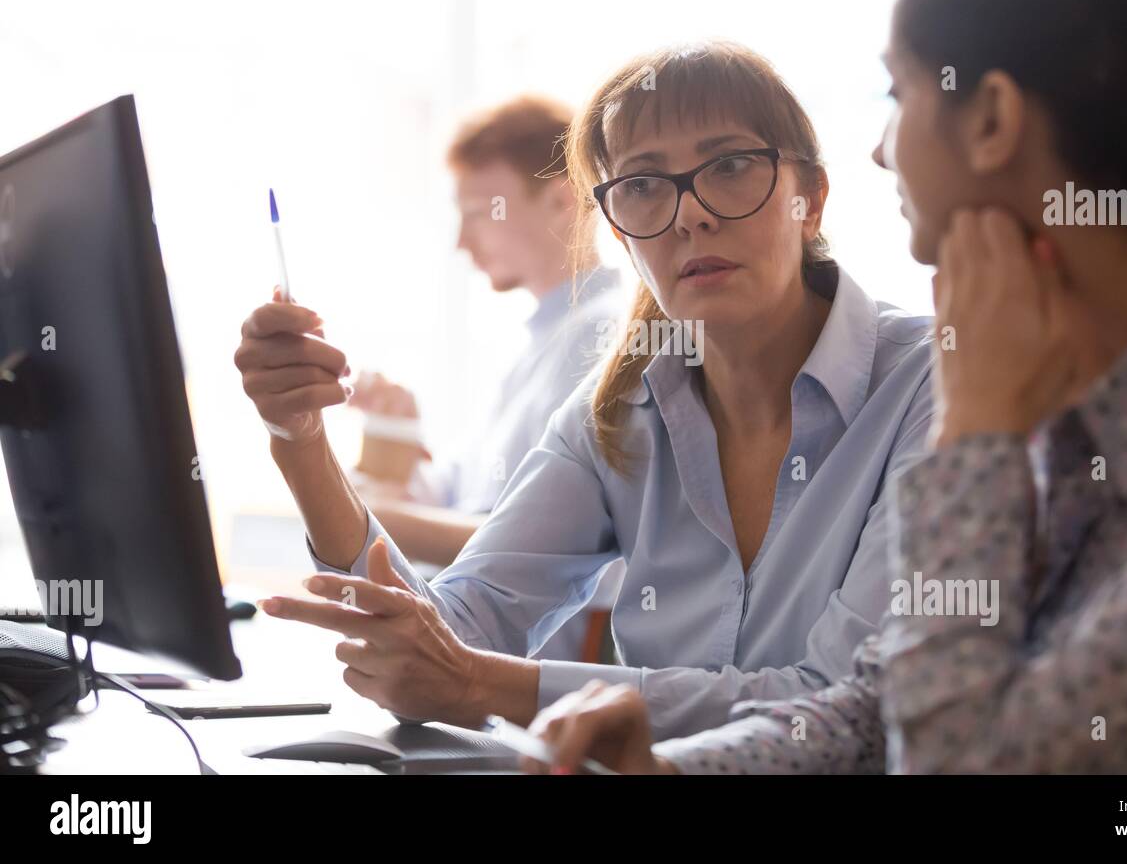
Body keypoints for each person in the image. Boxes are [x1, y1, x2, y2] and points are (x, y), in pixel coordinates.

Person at [521, 0, 1127, 774]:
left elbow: (967, 760)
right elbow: (881, 702)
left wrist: (976, 438)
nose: (882, 151)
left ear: (993, 118)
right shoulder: (1062, 371)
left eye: (899, 94)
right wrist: (671, 769)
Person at [234, 40, 935, 740]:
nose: (690, 215)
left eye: (729, 167)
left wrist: (477, 682)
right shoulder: (618, 412)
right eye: (641, 185)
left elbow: (839, 700)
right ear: (623, 238)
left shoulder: (928, 385)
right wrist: (300, 440)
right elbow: (436, 642)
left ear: (808, 199)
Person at [345, 96, 626, 661]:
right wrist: (393, 436)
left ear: (561, 200)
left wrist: (348, 515)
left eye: (479, 212)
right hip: (462, 642)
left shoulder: (603, 338)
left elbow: (530, 544)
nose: (462, 241)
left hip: (517, 671)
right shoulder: (543, 341)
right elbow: (469, 500)